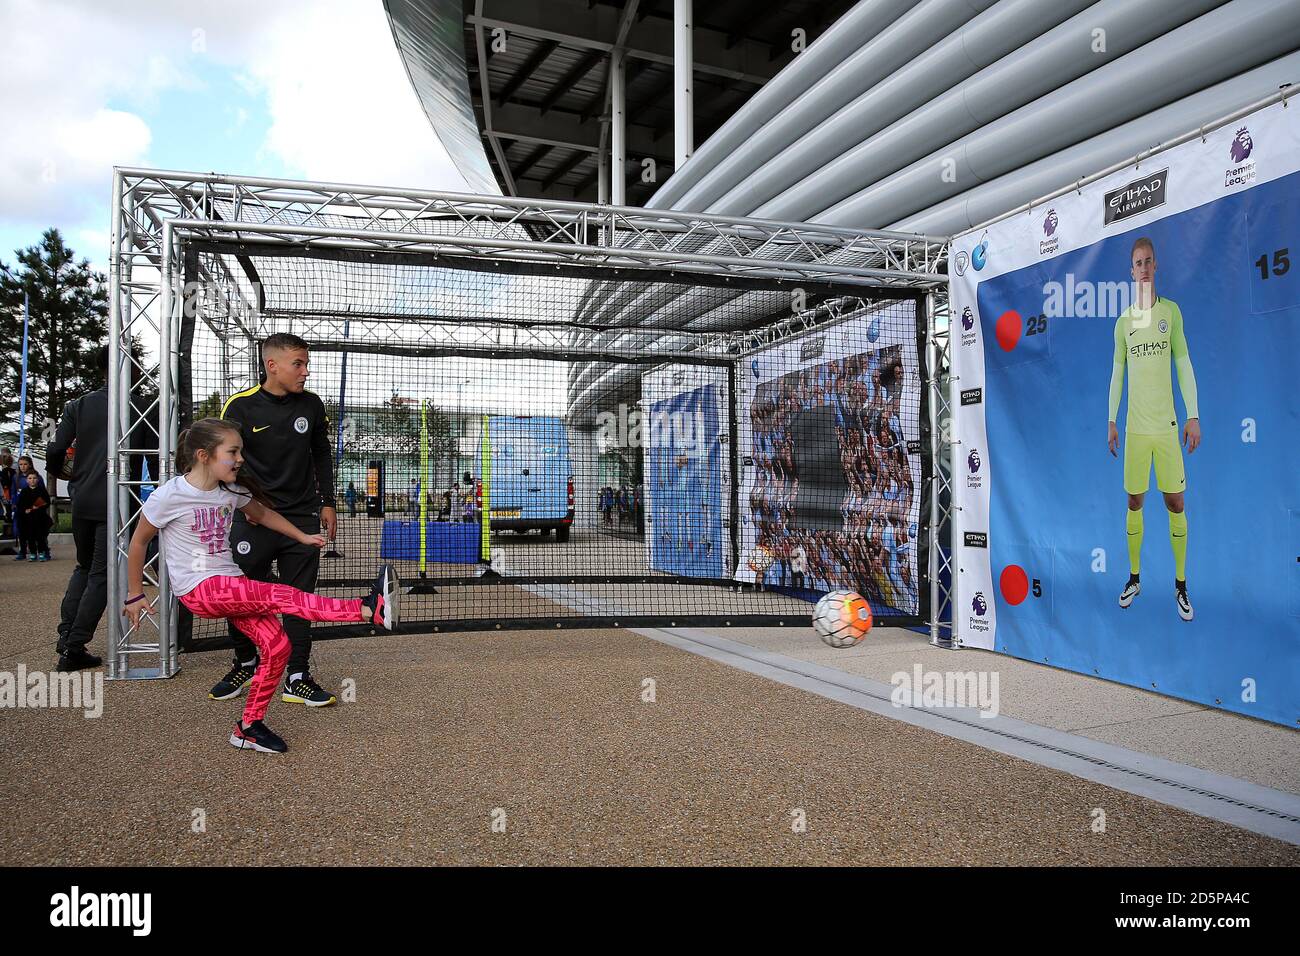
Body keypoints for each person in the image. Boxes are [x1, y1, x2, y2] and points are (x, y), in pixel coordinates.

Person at [124, 418, 398, 753]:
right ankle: (367, 609)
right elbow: (138, 543)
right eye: (233, 452)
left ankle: (248, 727)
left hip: (230, 583)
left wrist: (302, 536)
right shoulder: (169, 496)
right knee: (284, 595)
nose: (240, 459)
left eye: (240, 451)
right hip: (199, 589)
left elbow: (265, 515)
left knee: (278, 646)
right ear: (204, 455)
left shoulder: (231, 491)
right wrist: (134, 594)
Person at [211, 333, 341, 706]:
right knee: (240, 597)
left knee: (300, 599)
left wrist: (328, 502)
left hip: (301, 515)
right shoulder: (241, 406)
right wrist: (242, 502)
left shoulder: (312, 405)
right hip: (253, 516)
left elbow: (321, 454)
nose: (306, 372)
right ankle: (246, 661)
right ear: (272, 365)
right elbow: (226, 463)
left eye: (306, 363)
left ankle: (297, 676)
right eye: (298, 364)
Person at [1107, 237, 1199, 621]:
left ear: (1155, 266)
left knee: (1175, 502)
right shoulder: (1124, 322)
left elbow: (1183, 363)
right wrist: (1111, 420)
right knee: (1134, 502)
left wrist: (1193, 414)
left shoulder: (1171, 314)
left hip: (1166, 428)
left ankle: (1180, 585)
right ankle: (1134, 577)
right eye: (1137, 263)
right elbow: (1118, 372)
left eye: (1148, 261)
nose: (1143, 268)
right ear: (1131, 272)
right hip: (1134, 430)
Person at [46, 346, 111, 670]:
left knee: (83, 568)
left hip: (82, 496)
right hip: (112, 503)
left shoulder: (79, 405)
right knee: (100, 574)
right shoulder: (140, 406)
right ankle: (74, 647)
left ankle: (66, 636)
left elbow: (56, 448)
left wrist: (66, 474)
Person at [16, 471, 52, 562]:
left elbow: (47, 502)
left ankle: (42, 553)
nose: (32, 480)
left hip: (40, 518)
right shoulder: (24, 491)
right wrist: (25, 509)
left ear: (38, 479)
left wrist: (38, 507)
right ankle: (32, 553)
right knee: (30, 537)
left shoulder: (42, 490)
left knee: (41, 537)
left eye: (34, 478)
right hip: (28, 519)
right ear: (27, 480)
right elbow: (20, 504)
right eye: (30, 478)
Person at [0, 449, 14, 539]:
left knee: (6, 514)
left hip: (6, 495)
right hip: (11, 495)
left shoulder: (3, 473)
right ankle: (9, 533)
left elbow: (5, 487)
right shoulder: (13, 472)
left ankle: (7, 534)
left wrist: (5, 498)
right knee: (8, 515)